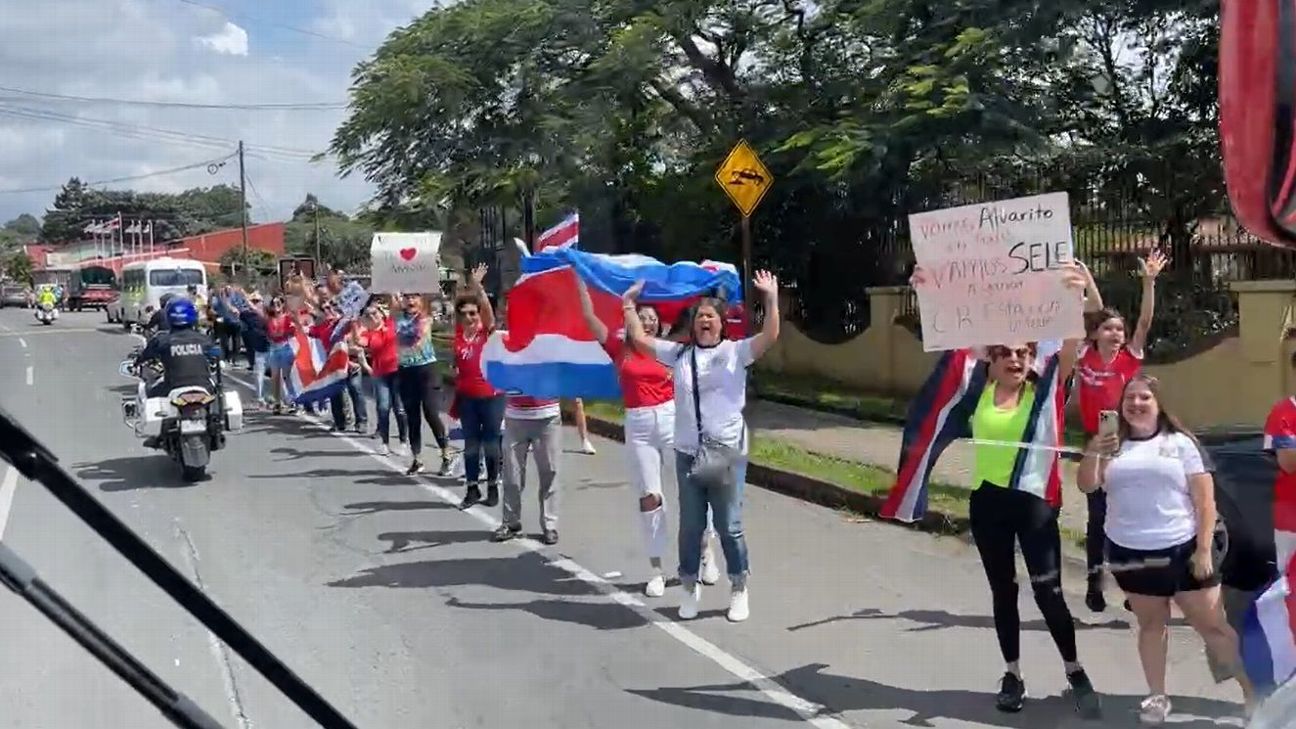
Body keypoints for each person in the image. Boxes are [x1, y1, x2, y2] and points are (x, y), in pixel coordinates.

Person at [901, 261, 1100, 717]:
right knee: (1003, 591)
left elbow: (1075, 338)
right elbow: (953, 332)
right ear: (991, 359)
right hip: (987, 501)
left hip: (1034, 504)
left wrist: (1078, 292)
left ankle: (1074, 670)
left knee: (1048, 593)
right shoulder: (977, 393)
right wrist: (928, 290)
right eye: (1005, 352)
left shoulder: (1046, 390)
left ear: (1033, 358)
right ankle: (1012, 673)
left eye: (1023, 353)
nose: (1014, 359)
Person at [1078, 375, 1256, 723]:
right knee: (1151, 626)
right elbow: (1087, 485)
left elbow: (1205, 502)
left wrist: (1204, 550)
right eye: (1129, 397)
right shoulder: (1111, 446)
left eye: (1144, 397)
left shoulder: (1180, 444)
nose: (1136, 403)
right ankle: (1157, 697)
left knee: (1214, 628)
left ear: (1158, 404)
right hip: (1130, 554)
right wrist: (1094, 451)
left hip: (1182, 551)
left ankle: (1253, 695)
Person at [621, 270, 782, 623]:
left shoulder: (736, 353)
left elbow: (770, 334)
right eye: (699, 317)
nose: (705, 321)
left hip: (726, 452)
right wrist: (629, 305)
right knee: (691, 527)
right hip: (688, 453)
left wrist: (770, 297)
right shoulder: (678, 355)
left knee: (729, 525)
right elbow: (638, 338)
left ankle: (739, 588)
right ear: (692, 326)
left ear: (722, 324)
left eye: (711, 316)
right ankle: (689, 588)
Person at [575, 276, 720, 597]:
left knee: (692, 488)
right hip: (638, 424)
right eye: (643, 319)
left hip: (671, 419)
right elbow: (588, 318)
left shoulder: (669, 349)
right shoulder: (618, 347)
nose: (649, 324)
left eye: (653, 320)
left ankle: (706, 552)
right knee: (650, 497)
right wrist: (581, 280)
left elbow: (701, 326)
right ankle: (657, 569)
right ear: (632, 321)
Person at [1077, 250, 1166, 612]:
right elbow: (1094, 310)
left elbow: (1145, 321)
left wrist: (1148, 282)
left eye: (1120, 329)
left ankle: (1133, 588)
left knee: (1128, 512)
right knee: (1098, 515)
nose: (1116, 333)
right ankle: (1094, 581)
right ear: (1096, 333)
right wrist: (1087, 281)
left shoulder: (1130, 357)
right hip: (1096, 442)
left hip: (1128, 442)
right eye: (1109, 328)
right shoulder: (1084, 355)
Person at [133, 298, 220, 446]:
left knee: (147, 391)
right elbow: (218, 354)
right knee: (217, 394)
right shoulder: (204, 339)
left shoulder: (162, 340)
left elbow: (145, 356)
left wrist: (137, 362)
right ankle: (215, 427)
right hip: (204, 387)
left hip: (173, 386)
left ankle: (157, 434)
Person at [453, 264, 504, 509]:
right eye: (465, 314)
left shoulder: (488, 333)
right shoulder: (458, 336)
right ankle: (472, 488)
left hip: (492, 397)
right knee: (471, 445)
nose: (470, 317)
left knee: (492, 444)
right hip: (467, 400)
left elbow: (488, 313)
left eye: (474, 313)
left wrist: (477, 286)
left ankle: (493, 486)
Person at [392, 291, 452, 475]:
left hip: (426, 369)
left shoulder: (425, 318)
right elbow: (390, 297)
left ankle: (446, 454)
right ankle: (417, 459)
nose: (410, 300)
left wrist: (401, 350)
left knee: (430, 411)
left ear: (420, 300)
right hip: (406, 370)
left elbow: (420, 340)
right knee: (412, 416)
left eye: (414, 297)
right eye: (407, 297)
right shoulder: (397, 317)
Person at [492, 390, 563, 545]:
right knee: (511, 474)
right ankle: (511, 523)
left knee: (549, 472)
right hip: (515, 416)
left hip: (547, 416)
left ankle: (549, 525)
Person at [358, 304, 409, 455]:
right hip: (380, 374)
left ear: (381, 313)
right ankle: (385, 442)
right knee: (383, 408)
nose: (372, 316)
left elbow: (396, 307)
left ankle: (403, 442)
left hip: (397, 371)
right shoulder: (369, 333)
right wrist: (356, 325)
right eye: (368, 315)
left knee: (399, 408)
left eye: (374, 313)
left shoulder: (391, 324)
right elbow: (360, 342)